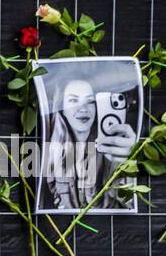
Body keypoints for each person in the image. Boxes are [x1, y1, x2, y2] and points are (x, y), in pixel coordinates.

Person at [41, 77, 137, 211]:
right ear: (62, 109)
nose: (83, 108)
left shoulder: (113, 145)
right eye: (73, 100)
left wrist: (126, 163)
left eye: (90, 101)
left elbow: (128, 203)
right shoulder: (52, 148)